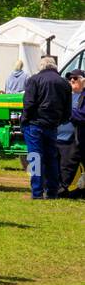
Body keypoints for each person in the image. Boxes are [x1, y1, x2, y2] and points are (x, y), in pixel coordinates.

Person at [21, 56, 72, 198]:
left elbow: (29, 104)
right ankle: (52, 192)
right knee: (52, 159)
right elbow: (67, 111)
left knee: (35, 158)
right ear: (54, 66)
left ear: (41, 66)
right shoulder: (64, 83)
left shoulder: (34, 80)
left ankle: (37, 192)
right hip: (53, 126)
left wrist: (24, 120)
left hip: (35, 125)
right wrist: (58, 121)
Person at [60, 69, 85, 197]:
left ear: (83, 81)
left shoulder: (83, 96)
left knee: (67, 166)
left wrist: (67, 112)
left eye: (75, 78)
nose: (72, 81)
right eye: (70, 79)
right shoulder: (67, 95)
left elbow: (82, 115)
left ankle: (61, 189)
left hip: (75, 139)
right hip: (58, 137)